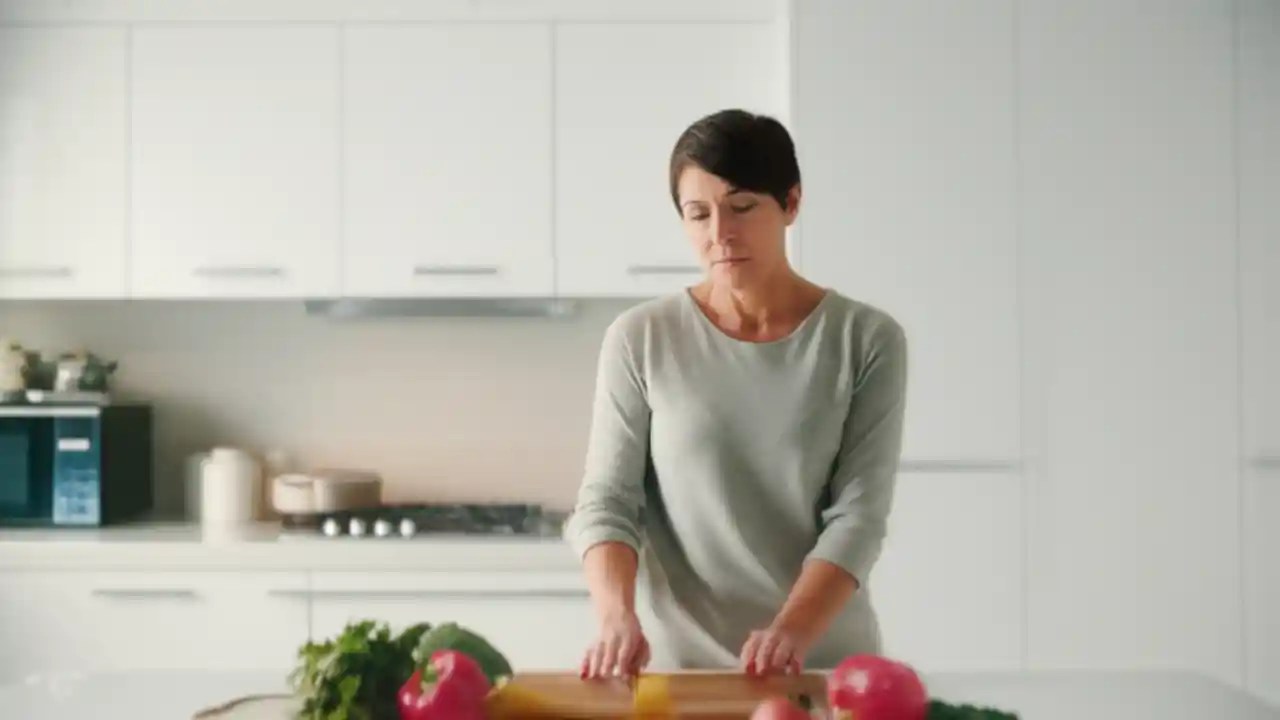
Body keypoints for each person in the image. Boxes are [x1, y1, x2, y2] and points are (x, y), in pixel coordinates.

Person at [564, 108, 909, 678]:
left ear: (791, 204)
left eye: (742, 206)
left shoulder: (866, 339)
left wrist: (789, 633)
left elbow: (858, 517)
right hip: (684, 674)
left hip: (820, 669)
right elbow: (607, 501)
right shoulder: (640, 340)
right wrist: (614, 617)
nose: (718, 234)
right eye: (697, 214)